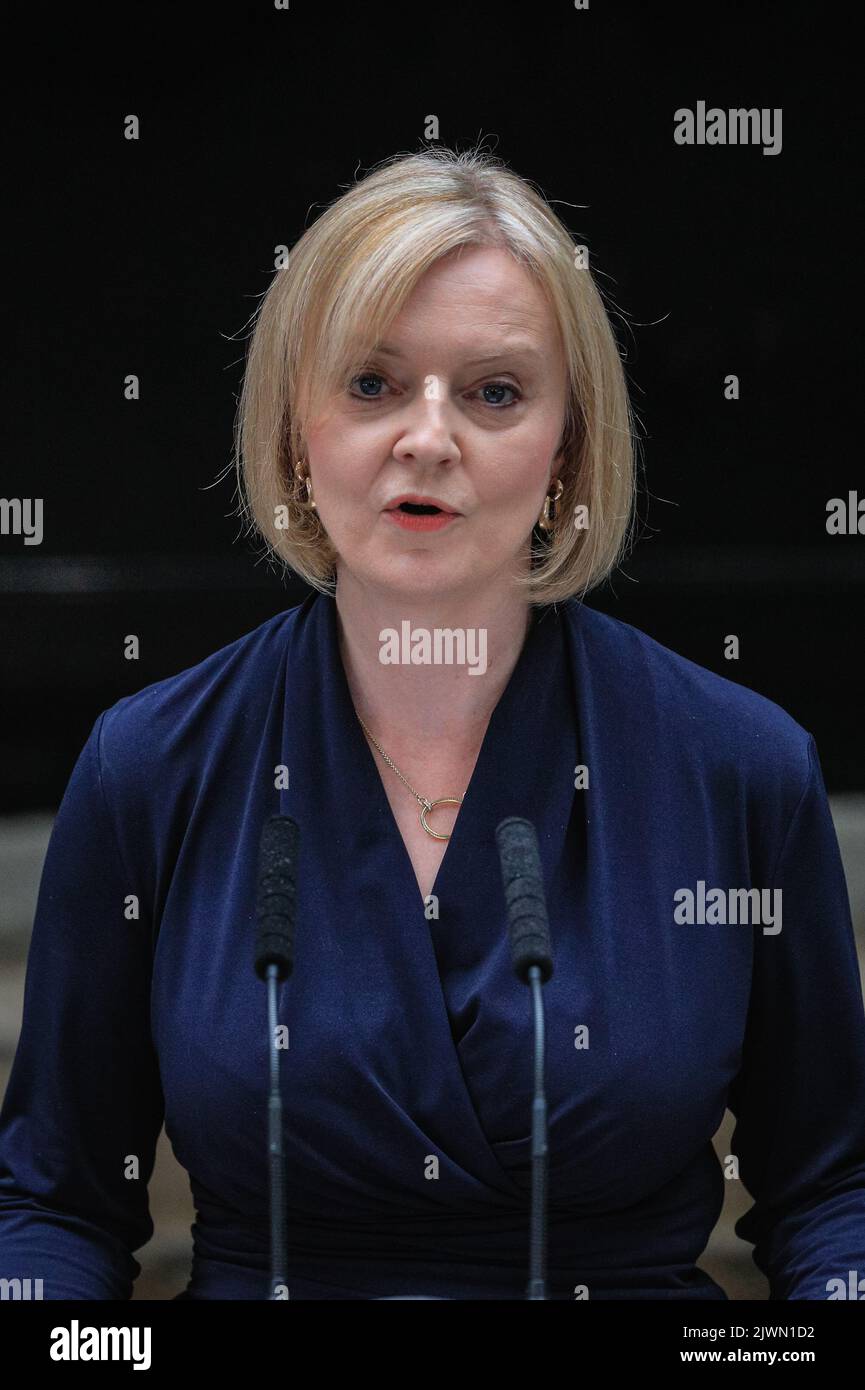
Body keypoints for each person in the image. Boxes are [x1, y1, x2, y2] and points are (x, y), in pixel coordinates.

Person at [1, 145, 863, 1301]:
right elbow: (53, 1204)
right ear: (297, 432)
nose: (427, 437)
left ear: (567, 450)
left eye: (494, 391)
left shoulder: (741, 767)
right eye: (371, 384)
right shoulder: (149, 766)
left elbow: (830, 1192)